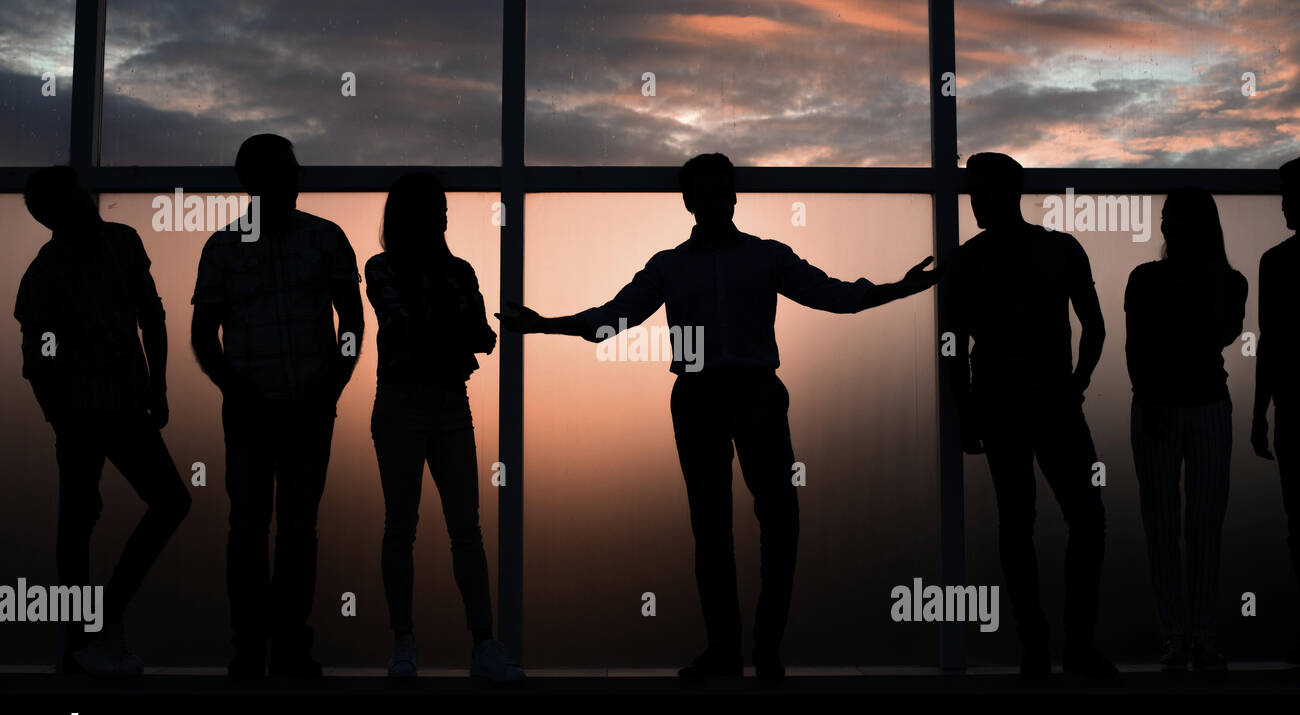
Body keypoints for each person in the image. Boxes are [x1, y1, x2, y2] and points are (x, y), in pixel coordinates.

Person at [496, 153, 941, 683]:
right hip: (705, 396)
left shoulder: (760, 257)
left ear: (732, 197)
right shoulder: (675, 265)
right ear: (690, 201)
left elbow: (835, 297)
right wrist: (545, 325)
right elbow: (611, 320)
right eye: (702, 192)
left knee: (772, 521)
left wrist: (898, 288)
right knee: (719, 527)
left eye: (718, 191)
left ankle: (758, 648)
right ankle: (734, 651)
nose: (711, 201)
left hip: (748, 393)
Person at [191, 134, 364, 679]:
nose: (297, 177)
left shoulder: (324, 239)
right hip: (260, 411)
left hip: (298, 408)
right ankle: (260, 649)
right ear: (257, 182)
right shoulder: (224, 248)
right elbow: (203, 333)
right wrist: (241, 392)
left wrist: (330, 388)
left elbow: (353, 324)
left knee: (280, 529)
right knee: (263, 529)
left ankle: (277, 648)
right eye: (287, 169)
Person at [15, 166, 191, 679]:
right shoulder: (50, 269)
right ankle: (94, 631)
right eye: (75, 195)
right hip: (93, 411)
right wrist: (66, 420)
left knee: (87, 519)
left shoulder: (110, 246)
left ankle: (91, 632)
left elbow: (150, 315)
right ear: (58, 209)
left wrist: (156, 387)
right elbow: (38, 358)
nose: (87, 200)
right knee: (103, 515)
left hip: (112, 408)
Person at [946, 152, 1115, 680]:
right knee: (1083, 520)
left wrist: (965, 411)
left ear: (999, 193)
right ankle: (1072, 646)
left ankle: (1037, 645)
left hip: (1001, 404)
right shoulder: (1059, 248)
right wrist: (1076, 384)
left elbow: (952, 345)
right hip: (1051, 404)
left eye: (978, 192)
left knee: (1020, 522)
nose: (973, 201)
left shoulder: (970, 259)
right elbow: (1095, 328)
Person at [365, 173, 523, 681]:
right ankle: (410, 642)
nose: (445, 215)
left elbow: (480, 337)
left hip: (443, 403)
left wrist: (440, 334)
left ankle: (476, 645)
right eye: (436, 207)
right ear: (414, 215)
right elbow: (415, 327)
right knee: (405, 526)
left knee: (461, 528)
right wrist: (451, 336)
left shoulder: (455, 270)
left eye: (444, 207)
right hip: (410, 402)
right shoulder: (386, 267)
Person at [1125, 188, 1246, 672]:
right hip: (1201, 404)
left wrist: (1147, 393)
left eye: (1170, 217)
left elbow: (1139, 346)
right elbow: (1217, 335)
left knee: (1172, 525)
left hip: (1165, 405)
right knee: (1196, 526)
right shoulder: (1228, 281)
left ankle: (1182, 635)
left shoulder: (1148, 279)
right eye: (1165, 217)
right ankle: (1193, 635)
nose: (1165, 226)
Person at [1251, 156, 1300, 666]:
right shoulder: (1275, 262)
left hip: (1292, 407)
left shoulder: (1276, 262)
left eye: (1289, 197)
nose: (1283, 205)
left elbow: (1271, 342)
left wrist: (1258, 411)